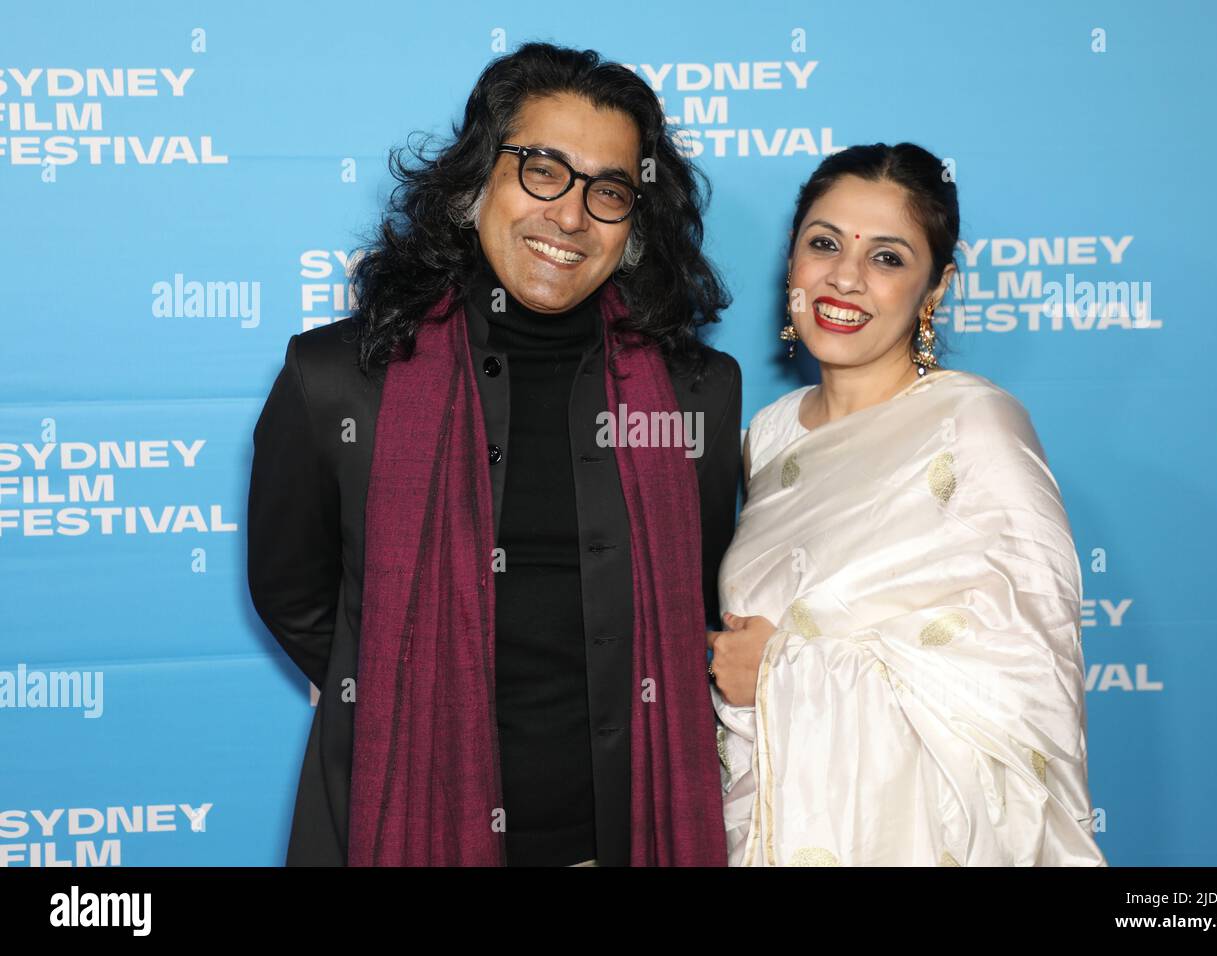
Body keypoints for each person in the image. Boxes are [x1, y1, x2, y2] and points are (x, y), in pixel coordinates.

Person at [247, 42, 741, 867]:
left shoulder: (696, 394)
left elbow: (698, 593)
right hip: (402, 824)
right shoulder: (336, 380)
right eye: (542, 169)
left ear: (636, 222)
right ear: (477, 180)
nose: (571, 216)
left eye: (609, 191)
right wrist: (418, 671)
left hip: (623, 838)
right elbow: (298, 599)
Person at [706, 143, 1107, 866]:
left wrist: (780, 673)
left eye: (887, 258)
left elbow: (1030, 690)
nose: (846, 277)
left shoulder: (975, 425)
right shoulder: (767, 438)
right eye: (823, 244)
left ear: (935, 289)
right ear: (790, 263)